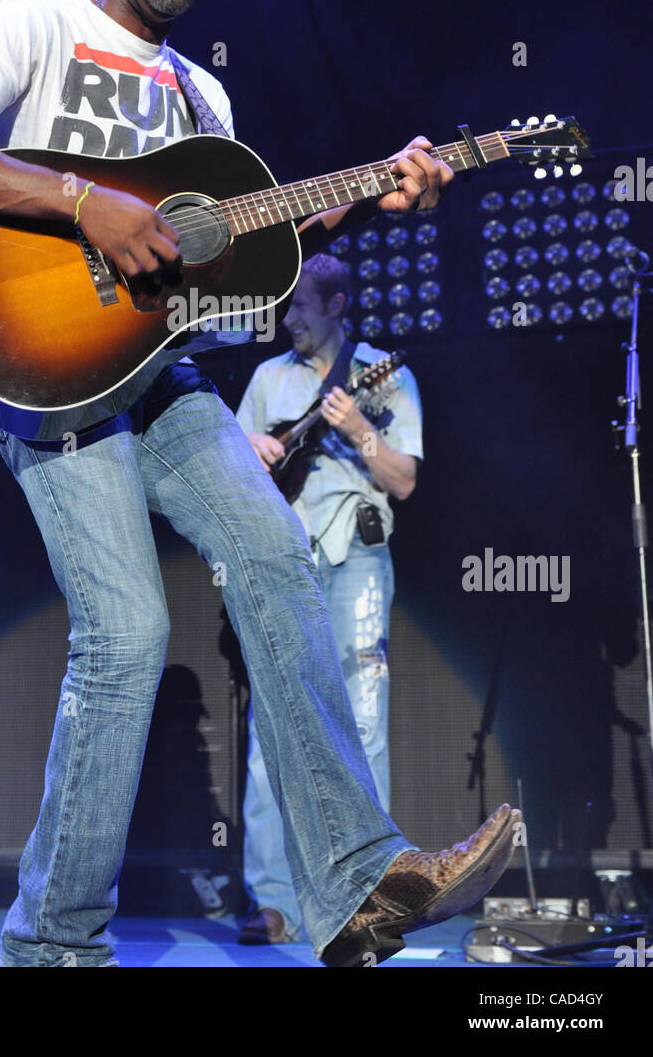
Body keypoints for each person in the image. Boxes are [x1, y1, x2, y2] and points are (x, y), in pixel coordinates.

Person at [0, 0, 519, 968]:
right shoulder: (32, 27)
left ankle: (361, 880)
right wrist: (84, 202)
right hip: (44, 373)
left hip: (161, 376)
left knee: (277, 559)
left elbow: (235, 267)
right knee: (127, 636)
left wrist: (372, 196)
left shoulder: (200, 98)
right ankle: (54, 947)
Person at [236, 252, 422, 945]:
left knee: (361, 723)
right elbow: (226, 470)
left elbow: (402, 479)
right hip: (283, 562)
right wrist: (247, 449)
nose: (288, 321)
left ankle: (370, 889)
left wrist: (355, 430)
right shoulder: (265, 380)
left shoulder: (383, 372)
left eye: (300, 308)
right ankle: (274, 899)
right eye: (285, 309)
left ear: (336, 305)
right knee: (270, 731)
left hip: (357, 559)